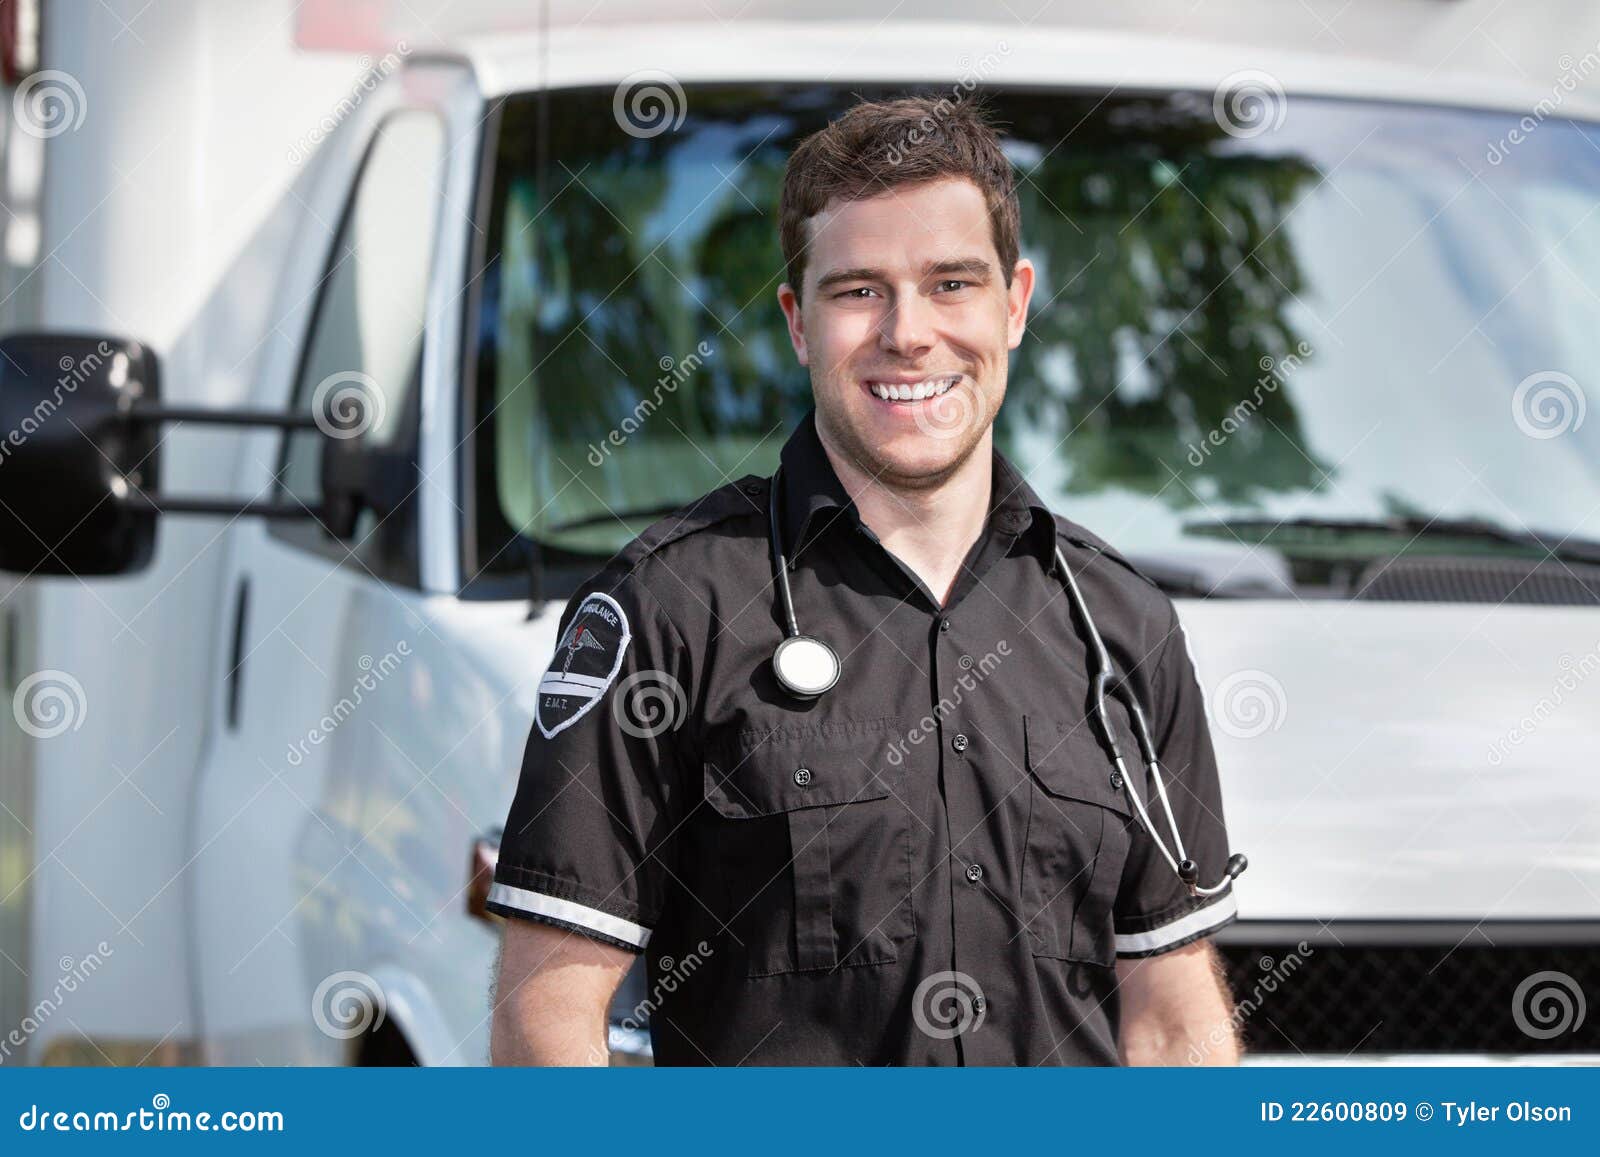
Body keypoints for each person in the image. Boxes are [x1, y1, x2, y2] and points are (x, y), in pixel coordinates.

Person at [488, 95, 1241, 1065]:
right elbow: (542, 1018)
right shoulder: (671, 608)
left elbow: (1175, 1025)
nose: (908, 333)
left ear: (1013, 304)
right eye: (858, 292)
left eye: (950, 283)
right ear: (799, 324)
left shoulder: (1120, 627)